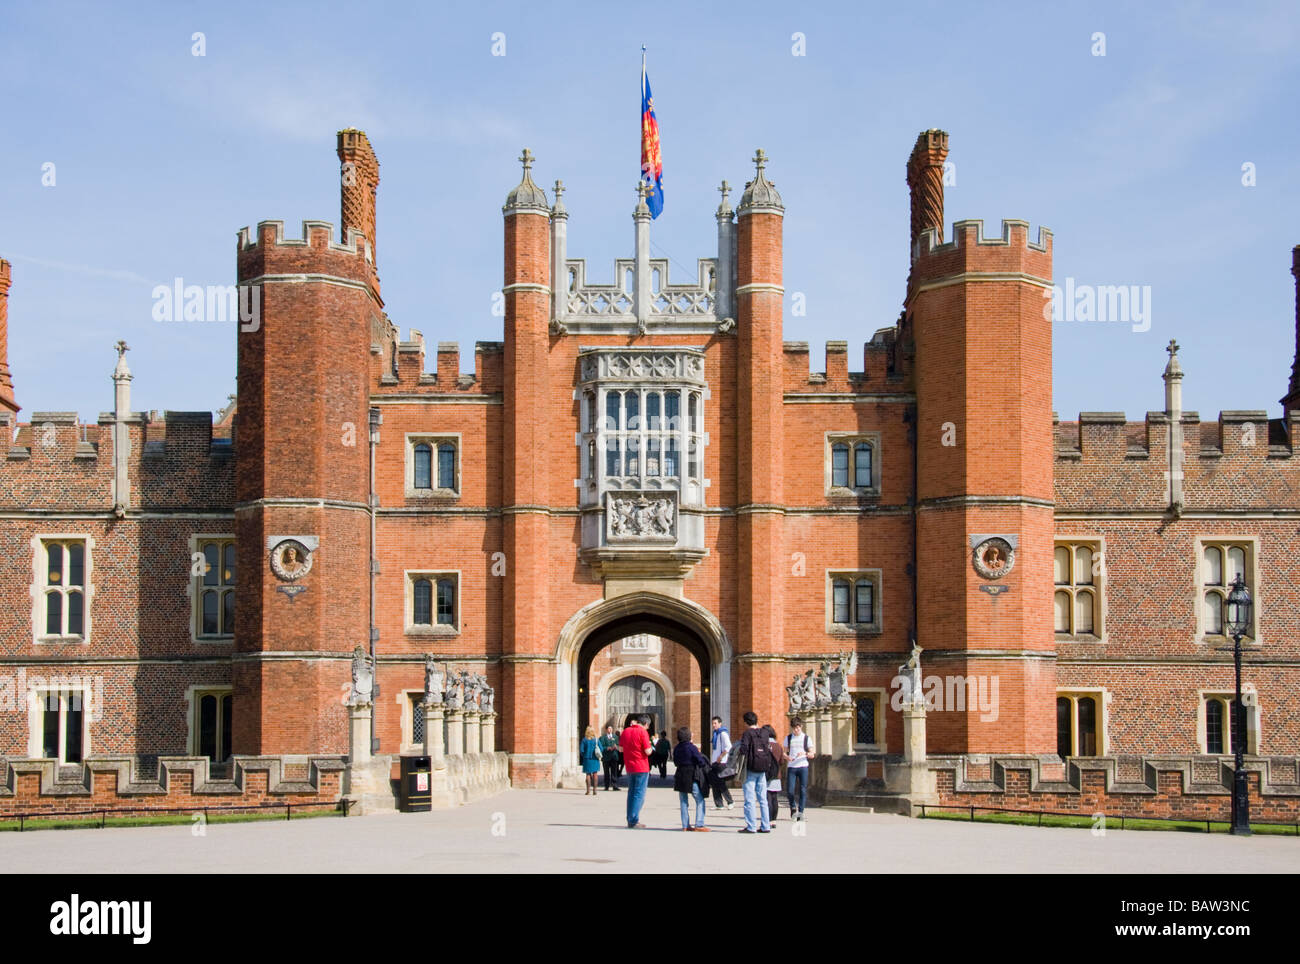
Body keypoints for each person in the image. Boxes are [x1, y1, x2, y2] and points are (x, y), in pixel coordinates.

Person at [736, 711, 772, 833]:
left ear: (746, 722)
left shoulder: (747, 733)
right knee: (763, 799)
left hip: (751, 768)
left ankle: (751, 826)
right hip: (763, 768)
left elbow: (744, 749)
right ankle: (766, 825)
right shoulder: (765, 732)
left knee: (750, 799)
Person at [671, 726, 711, 832]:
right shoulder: (691, 747)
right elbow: (700, 761)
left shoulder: (677, 748)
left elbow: (675, 762)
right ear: (688, 736)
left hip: (680, 774)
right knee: (699, 799)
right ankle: (699, 824)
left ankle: (685, 825)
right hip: (691, 774)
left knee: (683, 801)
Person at [620, 713, 653, 828]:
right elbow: (648, 751)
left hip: (629, 766)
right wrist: (651, 748)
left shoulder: (626, 731)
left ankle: (630, 818)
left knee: (631, 793)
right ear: (646, 724)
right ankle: (634, 819)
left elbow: (621, 749)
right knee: (639, 794)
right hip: (641, 766)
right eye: (648, 726)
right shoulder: (643, 732)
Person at [784, 716, 815, 820]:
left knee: (803, 790)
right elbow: (784, 752)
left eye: (798, 728)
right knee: (790, 790)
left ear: (801, 726)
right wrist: (787, 757)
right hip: (792, 766)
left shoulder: (806, 738)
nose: (796, 730)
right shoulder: (788, 738)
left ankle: (801, 812)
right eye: (794, 728)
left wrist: (805, 753)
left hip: (803, 766)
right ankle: (793, 807)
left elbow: (812, 754)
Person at [707, 716, 735, 810]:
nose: (713, 725)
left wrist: (721, 756)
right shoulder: (716, 734)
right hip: (715, 762)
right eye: (712, 723)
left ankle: (730, 801)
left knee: (720, 782)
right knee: (714, 783)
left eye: (715, 723)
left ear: (720, 723)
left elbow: (728, 746)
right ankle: (719, 804)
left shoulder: (723, 733)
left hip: (721, 762)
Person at [764, 724, 785, 821]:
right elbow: (782, 761)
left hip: (766, 774)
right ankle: (774, 819)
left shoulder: (764, 745)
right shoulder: (778, 746)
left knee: (768, 797)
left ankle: (768, 819)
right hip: (776, 774)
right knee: (774, 798)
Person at [578, 725, 601, 796]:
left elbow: (581, 750)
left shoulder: (584, 740)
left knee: (588, 774)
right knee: (595, 773)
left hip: (587, 759)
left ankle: (588, 791)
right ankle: (595, 790)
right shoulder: (596, 740)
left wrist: (584, 755)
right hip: (595, 759)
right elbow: (601, 749)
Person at [599, 724, 621, 791]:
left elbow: (619, 745)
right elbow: (601, 746)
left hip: (614, 756)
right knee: (606, 772)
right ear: (606, 730)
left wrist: (616, 746)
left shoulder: (616, 737)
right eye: (609, 728)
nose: (610, 730)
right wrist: (607, 748)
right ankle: (606, 786)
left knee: (614, 772)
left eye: (611, 728)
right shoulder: (602, 738)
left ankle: (615, 785)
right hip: (606, 757)